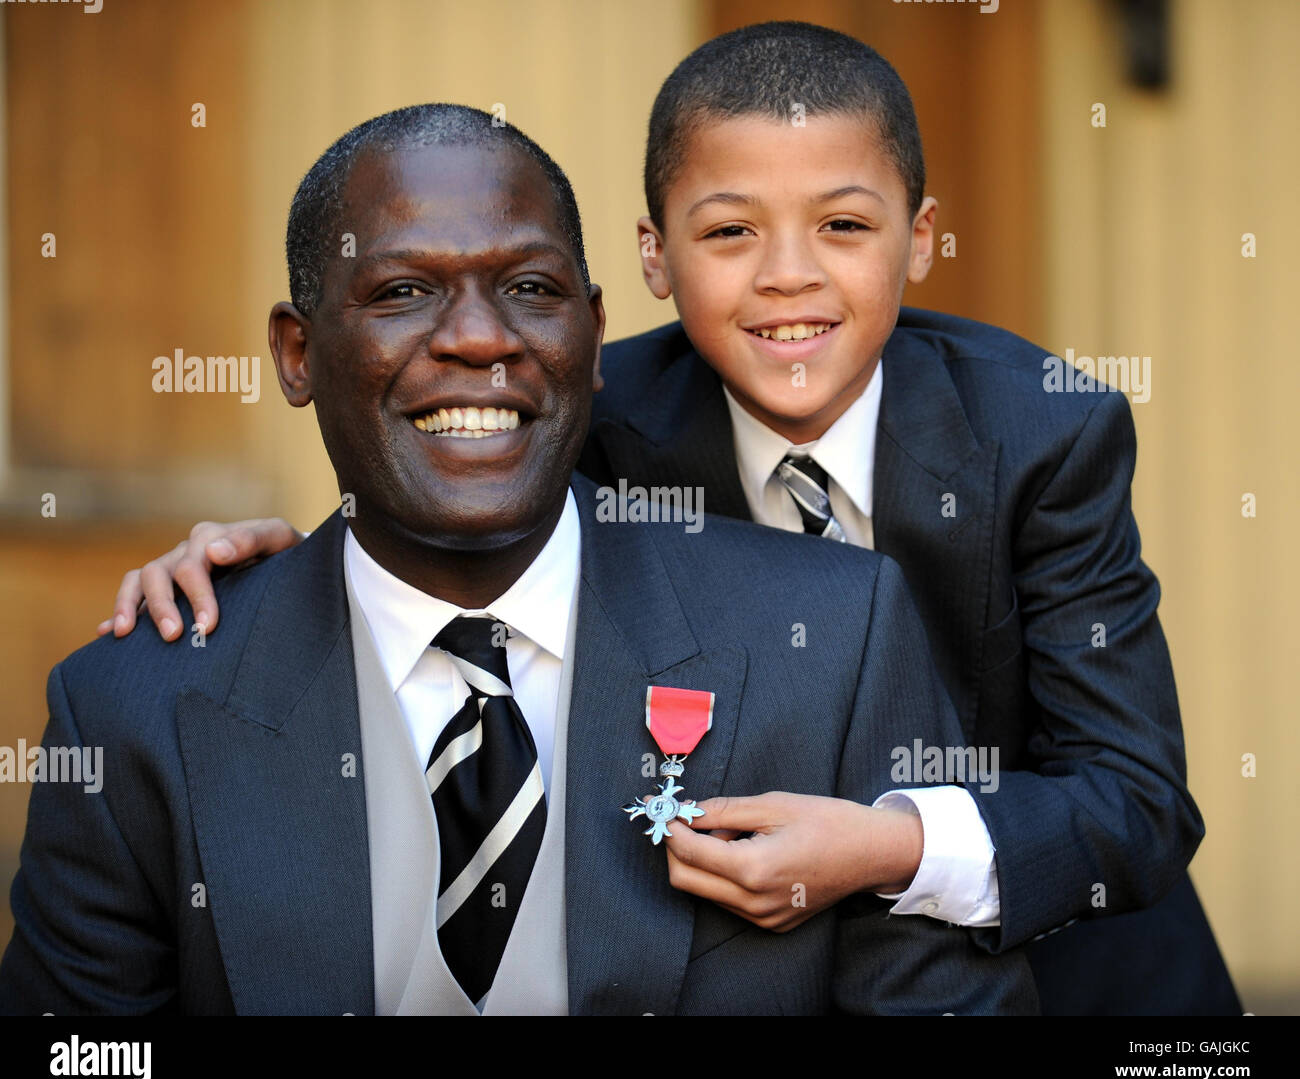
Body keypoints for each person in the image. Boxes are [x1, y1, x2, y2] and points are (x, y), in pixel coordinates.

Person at [104, 23, 1241, 1015]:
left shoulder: (1042, 434)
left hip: (1057, 945)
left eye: (844, 226)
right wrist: (270, 562)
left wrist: (885, 844)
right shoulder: (594, 402)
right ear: (652, 257)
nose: (788, 277)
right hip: (754, 957)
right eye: (730, 232)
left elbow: (1135, 796)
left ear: (923, 237)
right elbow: (430, 497)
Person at [0, 103, 1035, 1015]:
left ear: (590, 334)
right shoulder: (137, 708)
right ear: (297, 353)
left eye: (530, 287)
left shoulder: (834, 643)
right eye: (403, 292)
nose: (478, 340)